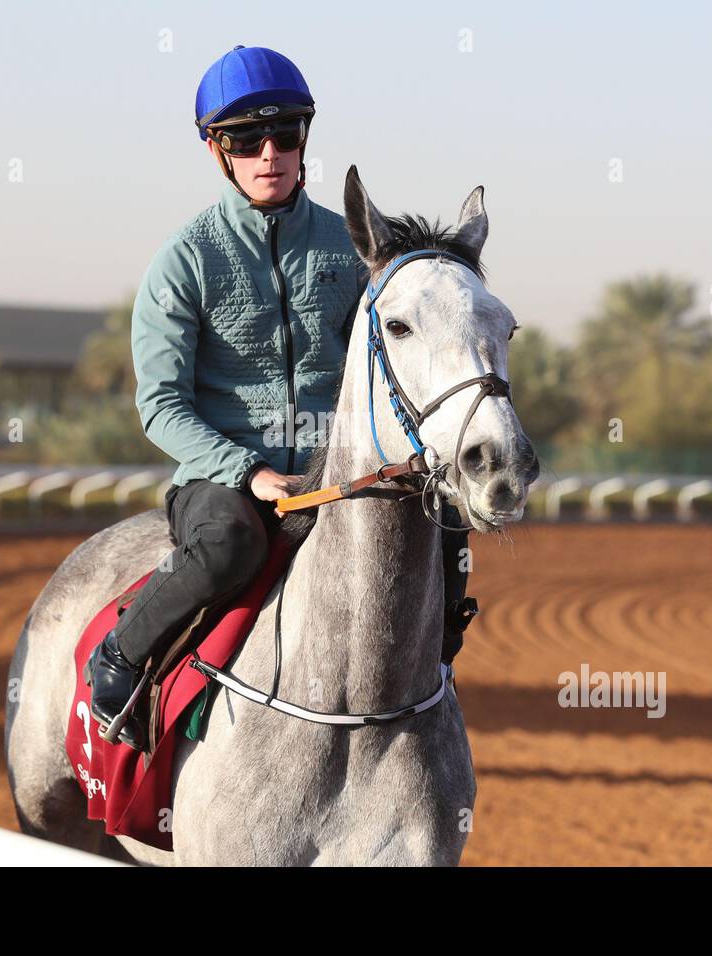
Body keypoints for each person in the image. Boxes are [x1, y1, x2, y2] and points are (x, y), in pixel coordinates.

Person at [86, 45, 475, 751]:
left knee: (441, 516)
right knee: (232, 541)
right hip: (224, 482)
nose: (270, 152)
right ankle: (122, 653)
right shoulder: (185, 260)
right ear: (216, 151)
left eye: (286, 134)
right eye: (245, 139)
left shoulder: (354, 248)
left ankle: (434, 668)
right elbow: (161, 407)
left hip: (342, 472)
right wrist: (249, 473)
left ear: (304, 140)